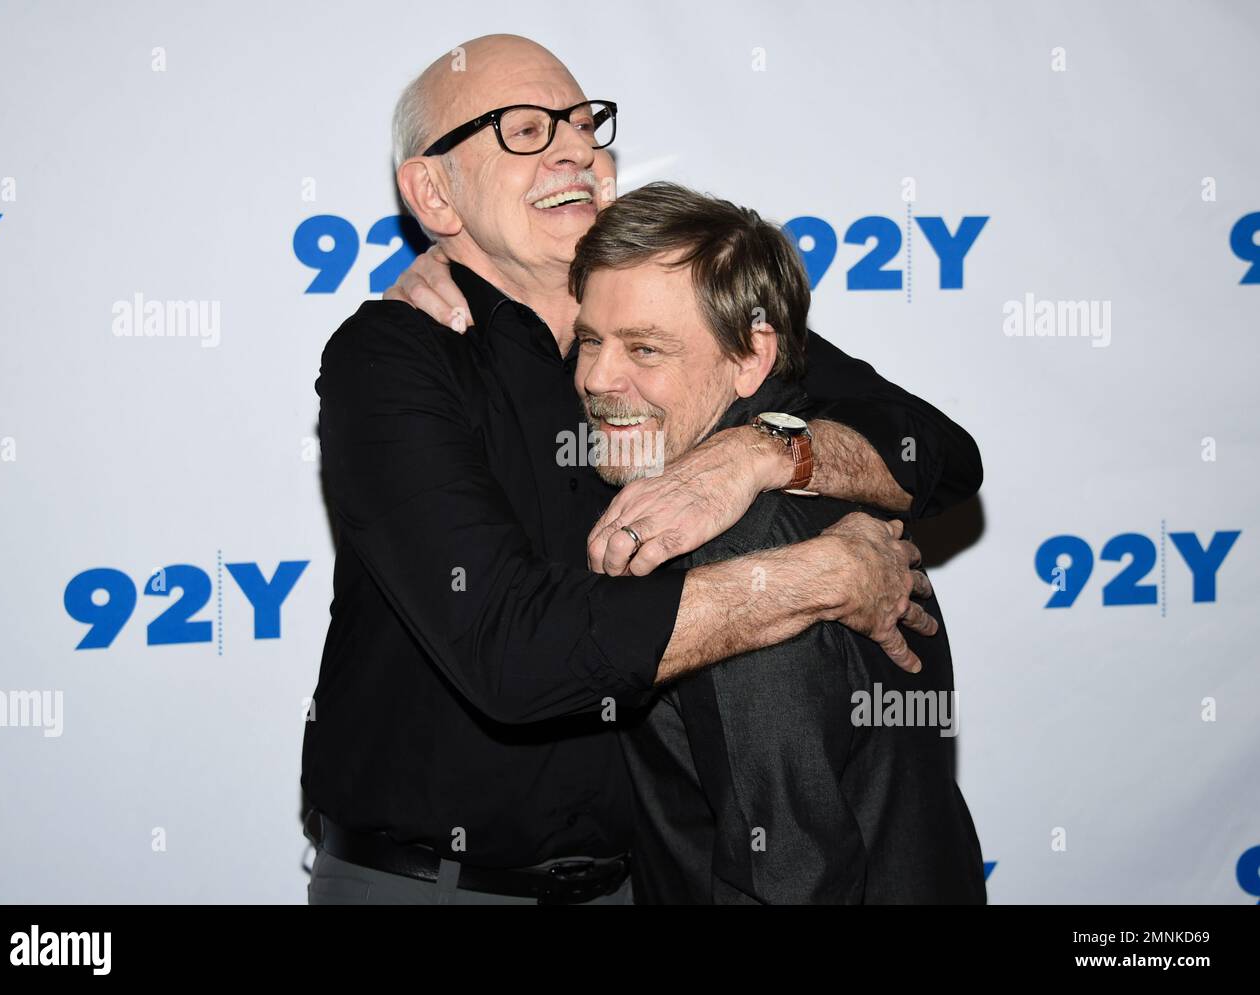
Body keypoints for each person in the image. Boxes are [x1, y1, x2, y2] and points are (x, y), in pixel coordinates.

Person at [302, 33, 980, 904]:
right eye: (524, 129)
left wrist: (763, 450)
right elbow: (513, 656)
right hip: (436, 885)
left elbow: (940, 453)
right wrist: (816, 576)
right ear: (435, 192)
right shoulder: (395, 357)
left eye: (585, 125)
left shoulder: (669, 311)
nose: (575, 147)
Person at [568, 181, 985, 903]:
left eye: (644, 347)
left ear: (751, 357)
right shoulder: (829, 482)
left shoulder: (740, 548)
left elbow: (787, 877)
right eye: (589, 340)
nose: (599, 376)